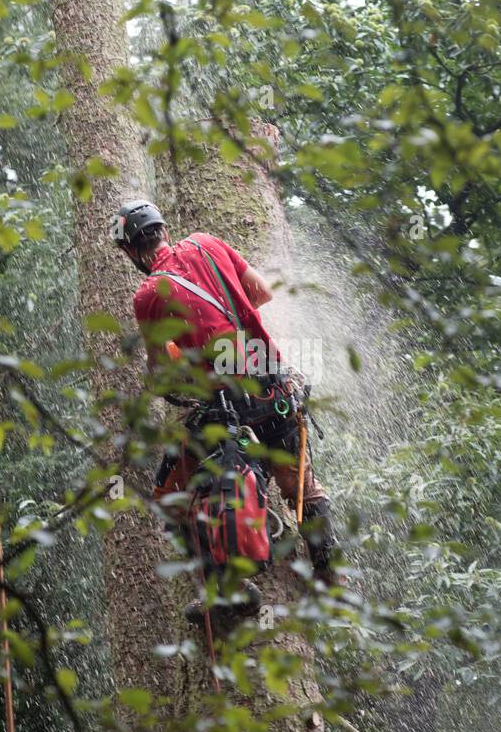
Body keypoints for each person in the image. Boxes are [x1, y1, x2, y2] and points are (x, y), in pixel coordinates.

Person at [112, 200, 338, 622]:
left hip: (225, 409)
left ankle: (229, 590)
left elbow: (162, 372)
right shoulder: (206, 243)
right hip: (273, 384)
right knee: (301, 483)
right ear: (163, 229)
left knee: (173, 494)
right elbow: (262, 293)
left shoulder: (148, 295)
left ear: (129, 250)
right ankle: (328, 569)